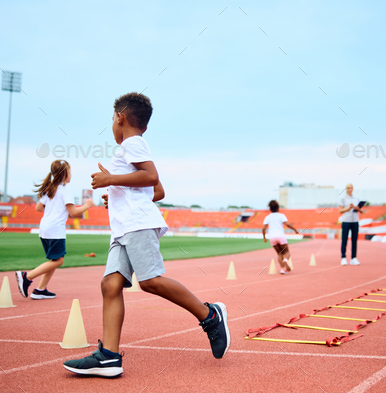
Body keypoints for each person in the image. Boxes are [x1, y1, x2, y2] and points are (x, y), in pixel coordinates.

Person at [63, 92, 229, 377]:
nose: (112, 126)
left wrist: (110, 180)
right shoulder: (131, 148)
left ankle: (210, 316)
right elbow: (158, 191)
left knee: (150, 281)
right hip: (124, 227)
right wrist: (116, 194)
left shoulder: (133, 144)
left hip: (137, 225)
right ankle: (109, 357)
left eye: (112, 120)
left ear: (120, 117)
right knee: (110, 285)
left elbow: (151, 178)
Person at [15, 160, 94, 300]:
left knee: (54, 259)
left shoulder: (51, 188)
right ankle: (27, 276)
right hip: (55, 230)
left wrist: (53, 210)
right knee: (59, 261)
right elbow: (74, 212)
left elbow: (38, 208)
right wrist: (87, 205)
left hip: (44, 228)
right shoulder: (66, 190)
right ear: (65, 174)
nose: (71, 175)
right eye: (70, 171)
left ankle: (41, 289)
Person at [262, 200, 300, 274]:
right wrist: (295, 230)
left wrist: (264, 237)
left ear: (270, 208)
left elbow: (263, 228)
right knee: (286, 252)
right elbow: (287, 224)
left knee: (279, 253)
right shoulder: (281, 216)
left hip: (272, 237)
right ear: (278, 208)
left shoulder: (267, 217)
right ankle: (286, 259)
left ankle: (283, 269)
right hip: (280, 236)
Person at [339, 183, 364, 266]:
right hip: (346, 221)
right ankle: (343, 257)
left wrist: (357, 208)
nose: (350, 189)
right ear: (346, 189)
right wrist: (349, 208)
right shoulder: (343, 199)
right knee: (344, 239)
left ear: (353, 189)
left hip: (355, 221)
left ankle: (354, 258)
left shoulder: (356, 199)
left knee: (354, 240)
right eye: (348, 188)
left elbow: (361, 211)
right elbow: (340, 211)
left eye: (351, 188)